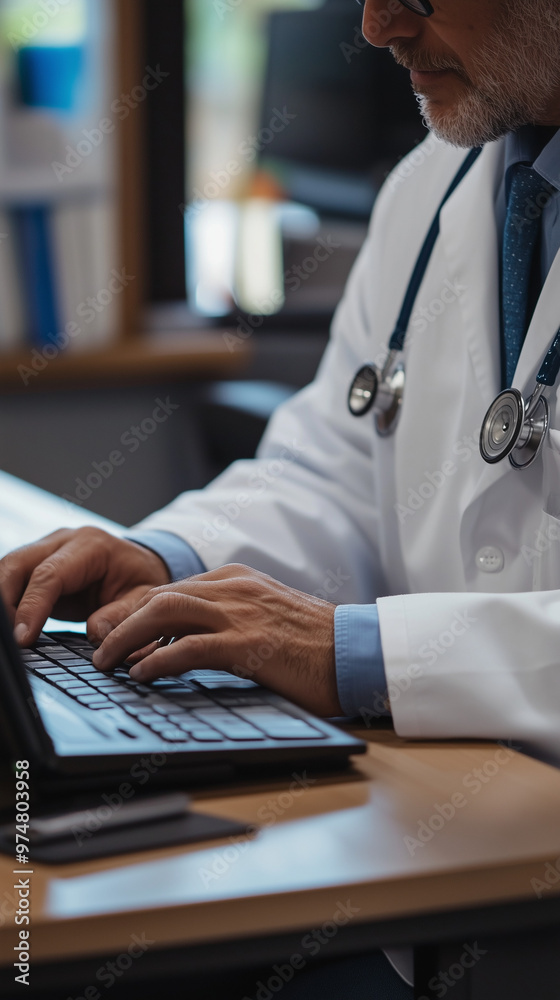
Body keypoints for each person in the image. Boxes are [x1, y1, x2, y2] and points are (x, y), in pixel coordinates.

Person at [2, 1, 560, 996]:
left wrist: (358, 653)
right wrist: (169, 556)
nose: (378, 22)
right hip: (435, 859)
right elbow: (333, 467)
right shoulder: (435, 186)